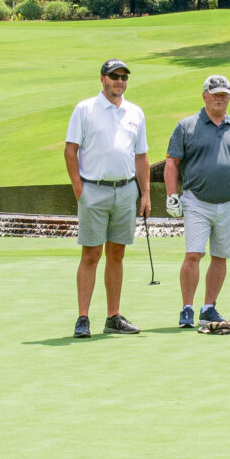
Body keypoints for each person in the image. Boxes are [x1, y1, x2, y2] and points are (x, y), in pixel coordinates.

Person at [164, 74, 230, 328]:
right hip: (196, 201)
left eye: (224, 94)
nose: (220, 98)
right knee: (194, 254)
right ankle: (187, 308)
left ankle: (208, 308)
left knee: (220, 256)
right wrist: (171, 194)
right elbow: (172, 163)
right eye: (215, 93)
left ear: (229, 97)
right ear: (204, 96)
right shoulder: (186, 126)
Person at [64, 58, 151, 338]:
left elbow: (141, 156)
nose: (120, 81)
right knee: (91, 253)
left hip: (126, 190)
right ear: (102, 78)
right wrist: (79, 190)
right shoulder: (85, 109)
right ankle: (83, 318)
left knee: (117, 253)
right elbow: (70, 150)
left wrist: (145, 193)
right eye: (114, 76)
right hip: (94, 189)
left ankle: (113, 316)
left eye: (124, 76)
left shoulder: (135, 112)